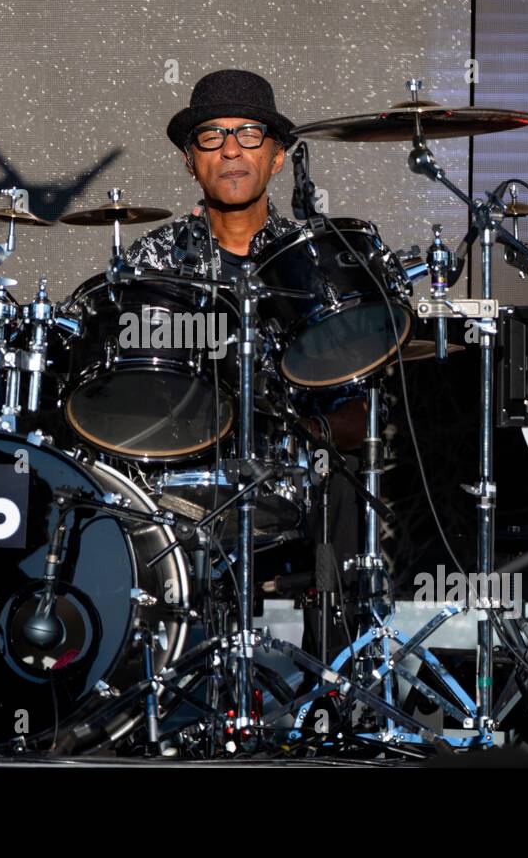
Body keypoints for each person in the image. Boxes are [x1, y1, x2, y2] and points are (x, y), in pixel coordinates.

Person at [125, 68, 374, 658]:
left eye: (248, 134)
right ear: (191, 161)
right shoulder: (153, 260)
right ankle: (151, 682)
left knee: (346, 481)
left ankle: (337, 686)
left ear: (278, 156)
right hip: (177, 468)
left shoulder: (311, 263)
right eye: (211, 137)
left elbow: (360, 409)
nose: (231, 150)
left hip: (290, 465)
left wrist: (302, 426)